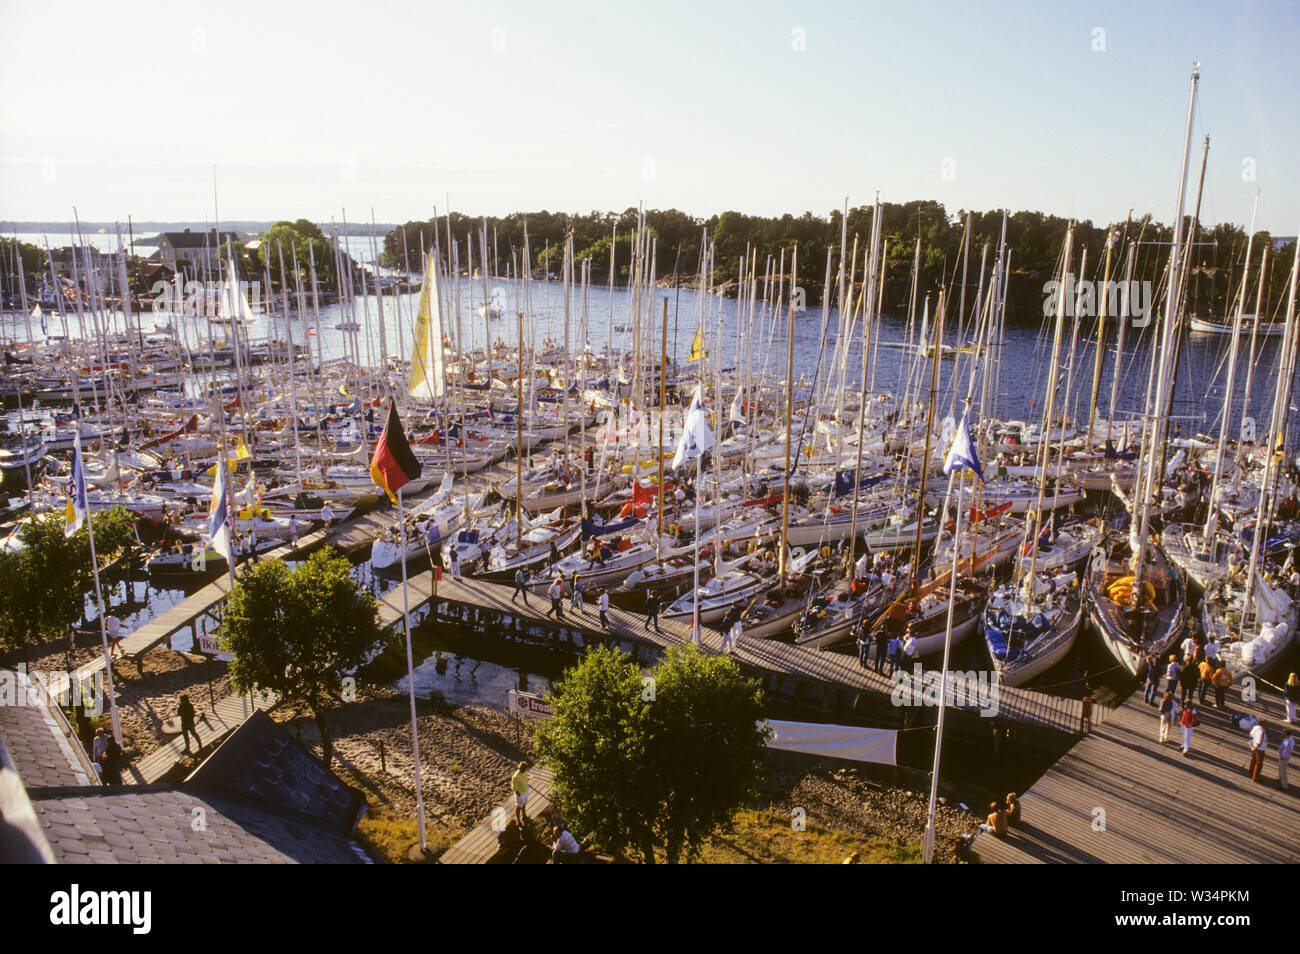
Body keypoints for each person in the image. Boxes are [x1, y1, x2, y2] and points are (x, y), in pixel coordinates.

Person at [511, 761, 530, 826]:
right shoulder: (515, 776)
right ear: (520, 768)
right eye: (523, 769)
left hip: (525, 791)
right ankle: (518, 820)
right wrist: (518, 794)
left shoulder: (525, 772)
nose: (524, 770)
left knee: (524, 803)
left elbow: (526, 778)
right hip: (520, 793)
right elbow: (514, 787)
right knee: (518, 806)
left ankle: (524, 814)